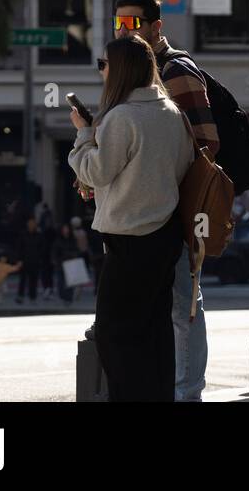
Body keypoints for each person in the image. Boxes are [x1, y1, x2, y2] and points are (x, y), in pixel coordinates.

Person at [68, 33, 192, 402]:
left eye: (104, 65)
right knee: (154, 330)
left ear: (120, 69)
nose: (101, 72)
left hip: (129, 236)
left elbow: (95, 172)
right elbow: (180, 167)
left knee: (114, 333)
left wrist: (84, 134)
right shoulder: (172, 113)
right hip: (165, 232)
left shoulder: (122, 117)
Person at [113, 0, 219, 402]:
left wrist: (161, 175)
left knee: (183, 305)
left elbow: (207, 143)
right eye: (118, 23)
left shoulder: (175, 72)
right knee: (156, 307)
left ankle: (187, 393)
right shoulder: (132, 73)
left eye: (133, 23)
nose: (125, 30)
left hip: (175, 209)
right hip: (145, 209)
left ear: (156, 27)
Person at [15, 216, 43, 304]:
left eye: (33, 224)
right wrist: (19, 260)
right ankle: (20, 296)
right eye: (30, 224)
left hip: (35, 261)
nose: (31, 225)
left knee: (33, 280)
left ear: (35, 225)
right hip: (24, 260)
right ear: (27, 225)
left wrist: (40, 259)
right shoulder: (23, 234)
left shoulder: (39, 235)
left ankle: (32, 297)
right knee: (22, 279)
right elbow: (19, 248)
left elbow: (42, 248)